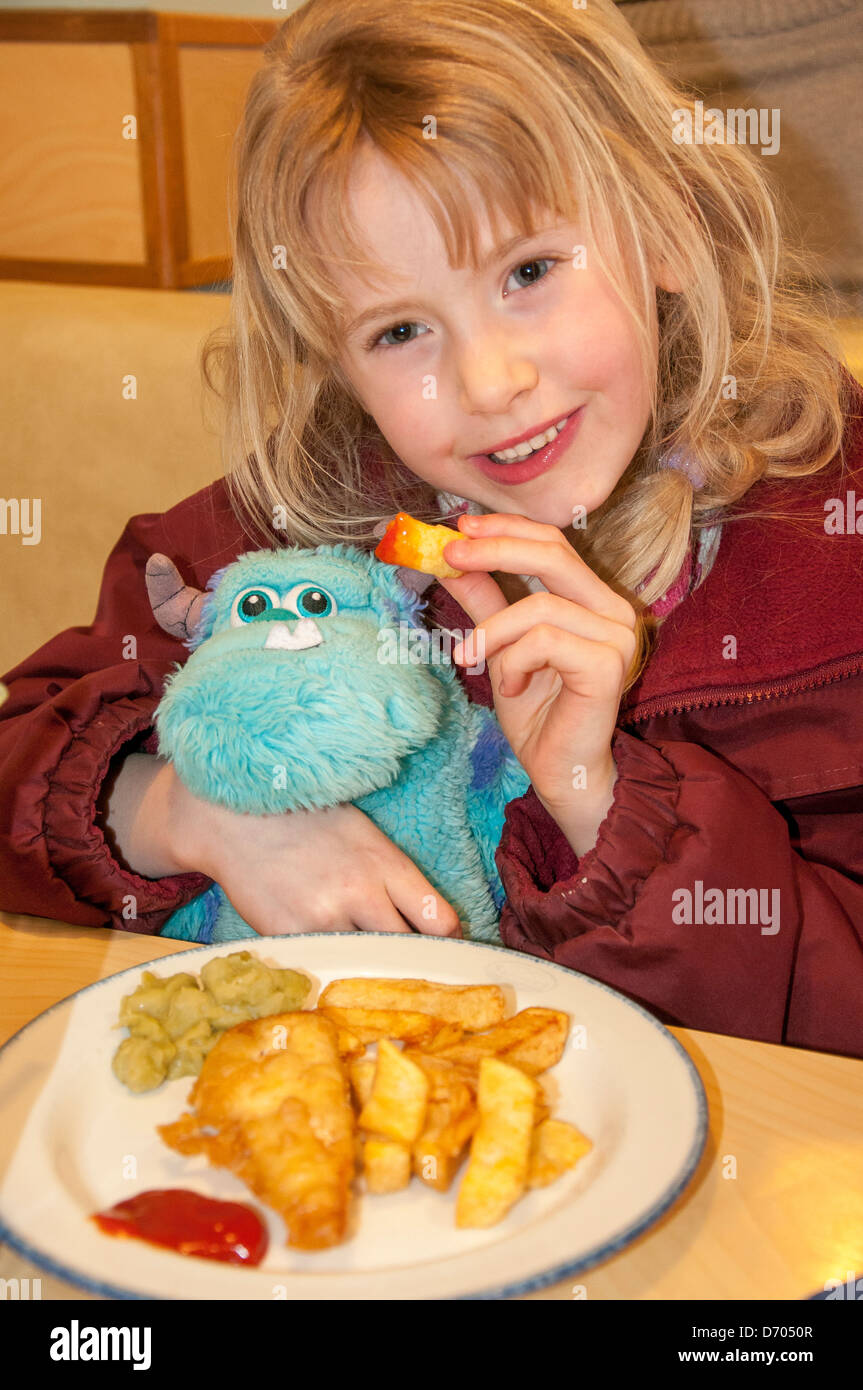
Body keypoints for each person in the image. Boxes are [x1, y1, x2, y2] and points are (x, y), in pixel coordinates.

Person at [1, 0, 862, 1057]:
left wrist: (608, 805)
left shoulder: (829, 539)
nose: (489, 382)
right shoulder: (295, 528)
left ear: (665, 225)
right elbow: (20, 753)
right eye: (399, 330)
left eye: (529, 272)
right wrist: (185, 813)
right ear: (335, 363)